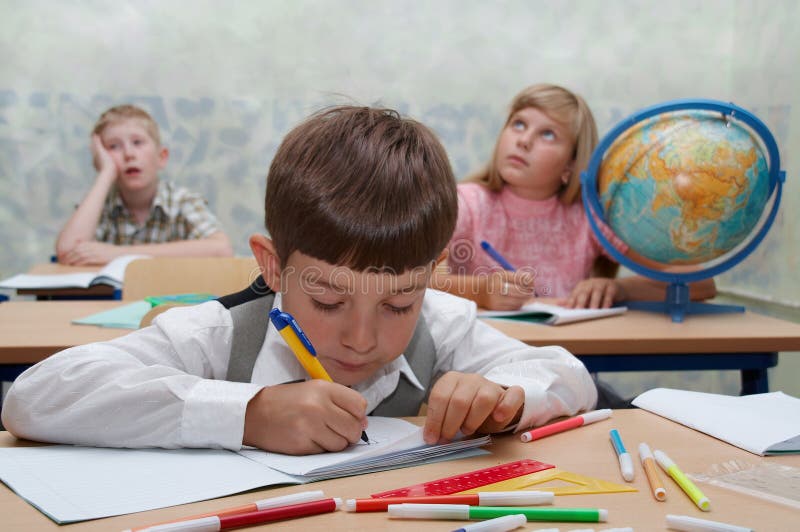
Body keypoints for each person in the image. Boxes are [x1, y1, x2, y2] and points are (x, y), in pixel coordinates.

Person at [3, 106, 597, 455]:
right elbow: (34, 398)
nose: (361, 340)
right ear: (273, 265)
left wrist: (508, 398)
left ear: (433, 272)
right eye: (328, 299)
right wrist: (249, 412)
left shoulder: (443, 325)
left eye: (397, 306)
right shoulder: (220, 334)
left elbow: (570, 376)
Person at [433, 84, 716, 310]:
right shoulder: (466, 204)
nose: (524, 140)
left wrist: (619, 289)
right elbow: (408, 280)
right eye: (518, 124)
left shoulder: (589, 217)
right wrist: (480, 292)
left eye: (547, 134)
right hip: (485, 370)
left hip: (570, 364)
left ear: (571, 164)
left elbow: (701, 283)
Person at [55, 104, 232, 265]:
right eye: (114, 146)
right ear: (101, 160)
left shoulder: (182, 201)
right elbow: (67, 251)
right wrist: (105, 174)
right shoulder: (99, 207)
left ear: (161, 157)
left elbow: (221, 249)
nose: (129, 154)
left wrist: (118, 254)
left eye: (137, 142)